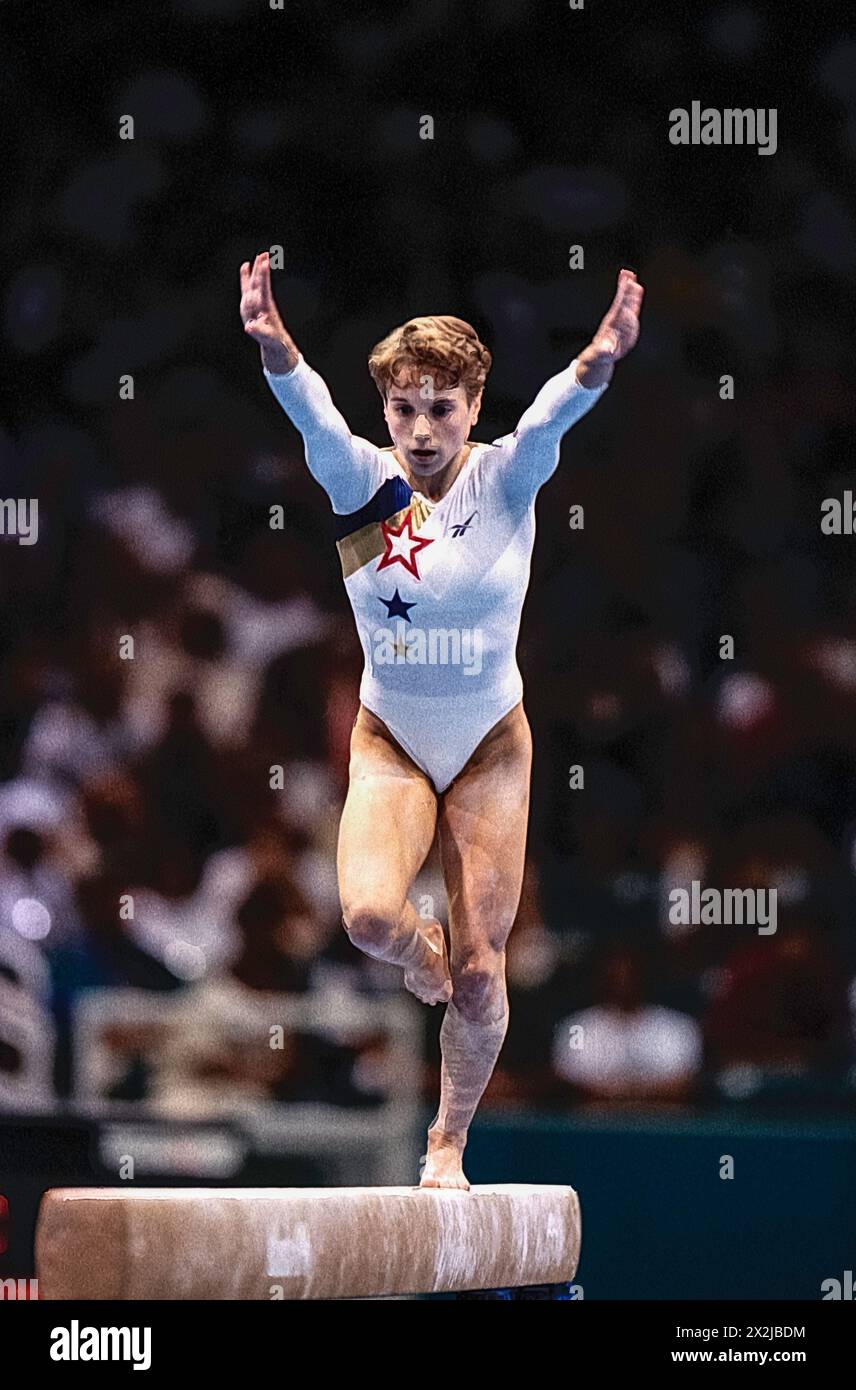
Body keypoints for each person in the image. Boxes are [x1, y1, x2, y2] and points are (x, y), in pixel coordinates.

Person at [239, 251, 644, 1187]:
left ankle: (448, 1141)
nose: (421, 431)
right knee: (372, 918)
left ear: (472, 402)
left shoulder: (506, 480)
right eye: (404, 409)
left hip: (492, 747)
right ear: (385, 410)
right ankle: (419, 952)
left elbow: (552, 413)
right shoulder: (362, 488)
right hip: (391, 741)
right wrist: (275, 346)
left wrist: (601, 357)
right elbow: (311, 413)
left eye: (442, 408)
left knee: (479, 972)